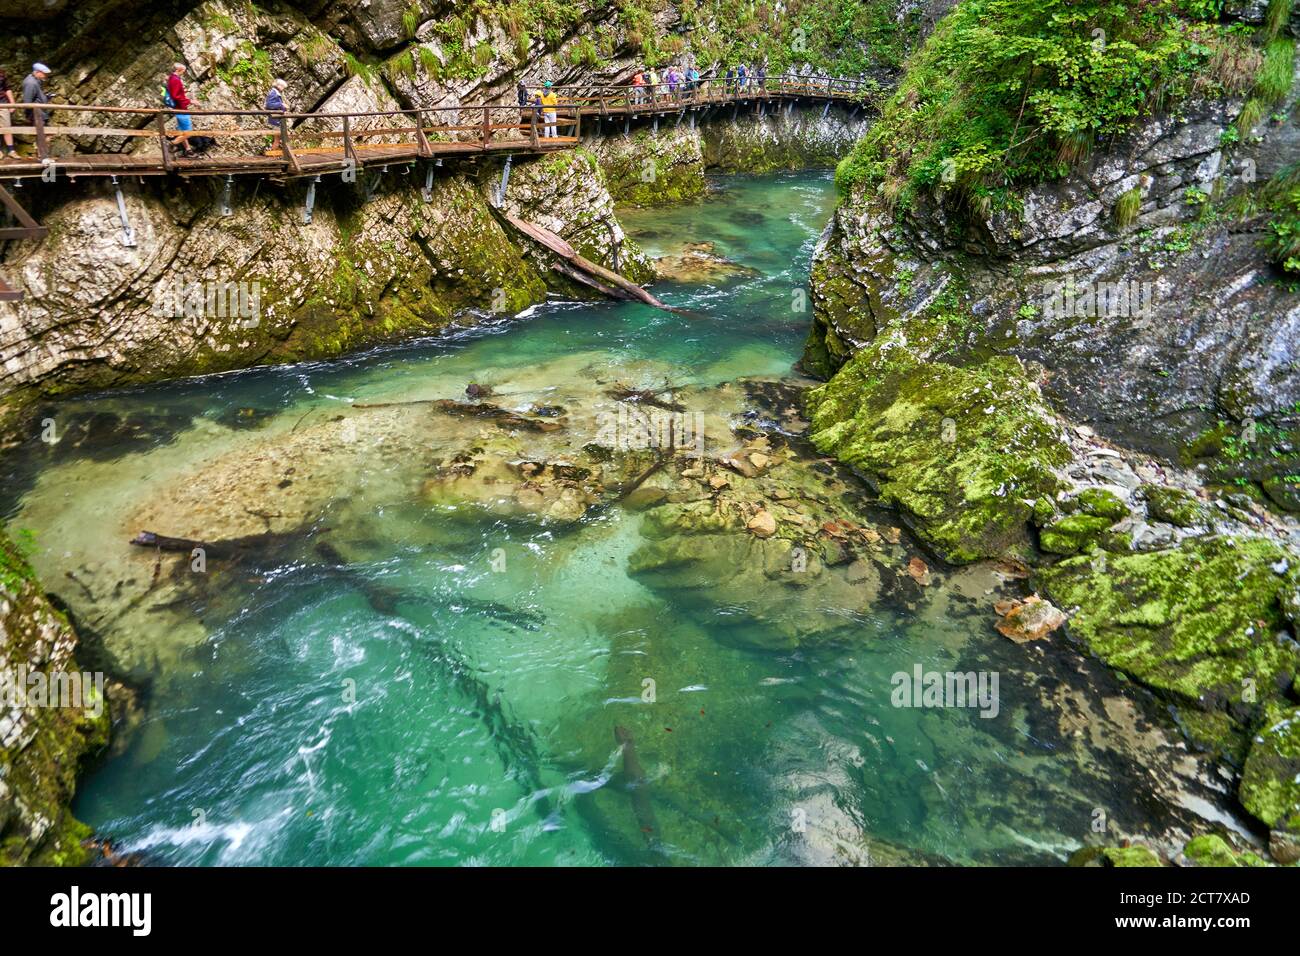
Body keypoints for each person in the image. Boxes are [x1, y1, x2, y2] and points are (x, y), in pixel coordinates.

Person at [165, 63, 195, 157]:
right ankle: (172, 144)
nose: (183, 73)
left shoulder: (171, 78)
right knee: (189, 133)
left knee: (182, 131)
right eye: (183, 71)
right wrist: (191, 101)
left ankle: (188, 150)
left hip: (178, 108)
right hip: (181, 109)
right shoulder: (175, 80)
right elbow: (176, 96)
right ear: (178, 70)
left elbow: (176, 93)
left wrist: (183, 91)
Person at [21, 63, 52, 128]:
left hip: (40, 114)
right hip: (36, 116)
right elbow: (27, 102)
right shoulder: (31, 83)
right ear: (37, 72)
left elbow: (36, 97)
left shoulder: (36, 81)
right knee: (43, 135)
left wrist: (46, 97)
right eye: (44, 73)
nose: (46, 75)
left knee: (45, 135)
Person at [264, 78, 288, 154]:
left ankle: (273, 154)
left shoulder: (275, 92)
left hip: (277, 119)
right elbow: (269, 105)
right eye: (283, 86)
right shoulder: (273, 93)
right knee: (277, 139)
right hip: (275, 120)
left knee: (277, 138)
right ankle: (272, 155)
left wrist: (283, 108)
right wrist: (281, 105)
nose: (283, 88)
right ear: (279, 85)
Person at [0, 68, 17, 159]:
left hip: (3, 103)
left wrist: (12, 103)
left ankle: (11, 150)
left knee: (7, 127)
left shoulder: (2, 74)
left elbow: (7, 89)